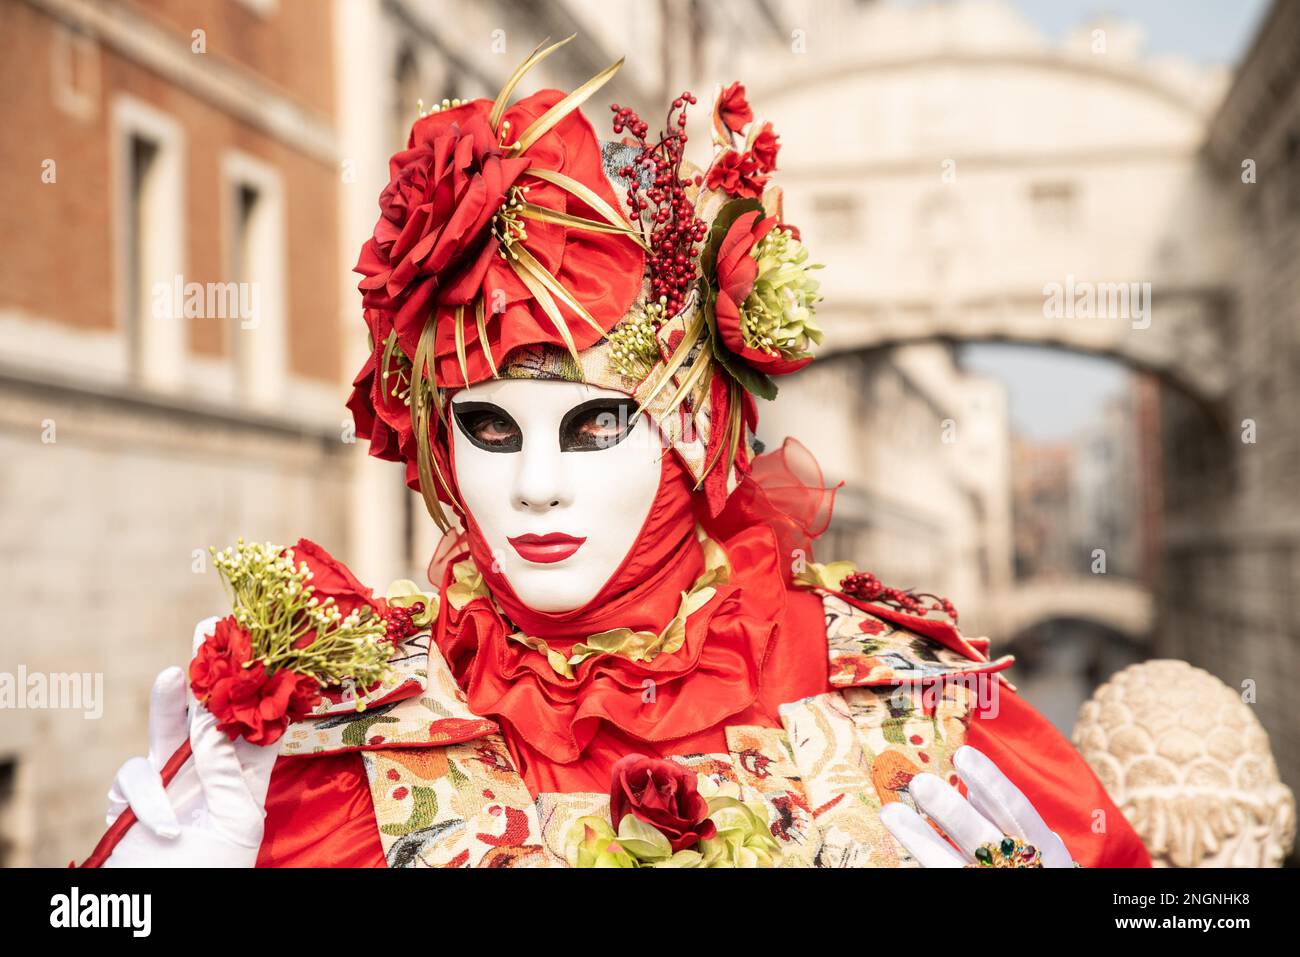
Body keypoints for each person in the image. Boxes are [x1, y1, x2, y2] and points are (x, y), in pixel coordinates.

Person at [100, 42, 1150, 869]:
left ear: (690, 433)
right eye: (490, 428)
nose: (537, 485)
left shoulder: (893, 695)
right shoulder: (346, 739)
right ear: (434, 439)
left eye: (597, 424)